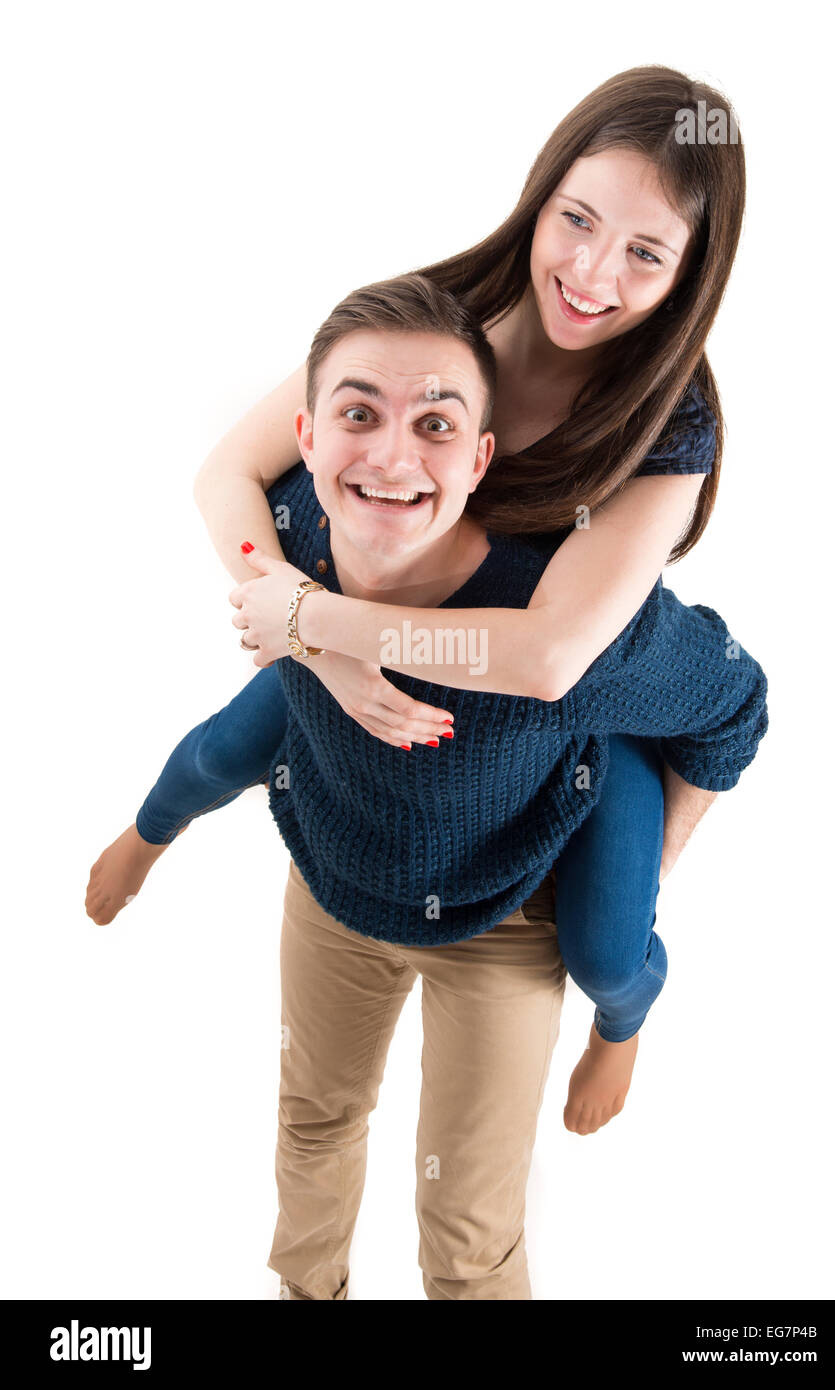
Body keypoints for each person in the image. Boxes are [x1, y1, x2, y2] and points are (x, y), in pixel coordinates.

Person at [87, 64, 753, 1138]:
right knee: (215, 751)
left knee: (605, 946)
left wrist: (311, 625)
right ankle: (146, 834)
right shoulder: (444, 321)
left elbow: (549, 661)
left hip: (575, 710)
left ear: (689, 274)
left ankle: (626, 1025)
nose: (590, 272)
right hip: (392, 663)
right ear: (541, 198)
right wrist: (328, 650)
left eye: (644, 252)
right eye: (576, 220)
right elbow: (229, 473)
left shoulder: (671, 427)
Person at [89, 275, 767, 1300]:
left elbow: (735, 703)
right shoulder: (287, 547)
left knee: (472, 1219)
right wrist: (309, 640)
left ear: (482, 457)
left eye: (437, 424)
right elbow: (224, 691)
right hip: (341, 879)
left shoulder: (570, 627)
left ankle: (624, 1022)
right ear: (306, 437)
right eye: (359, 415)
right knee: (312, 1119)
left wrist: (663, 848)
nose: (394, 458)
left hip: (507, 910)